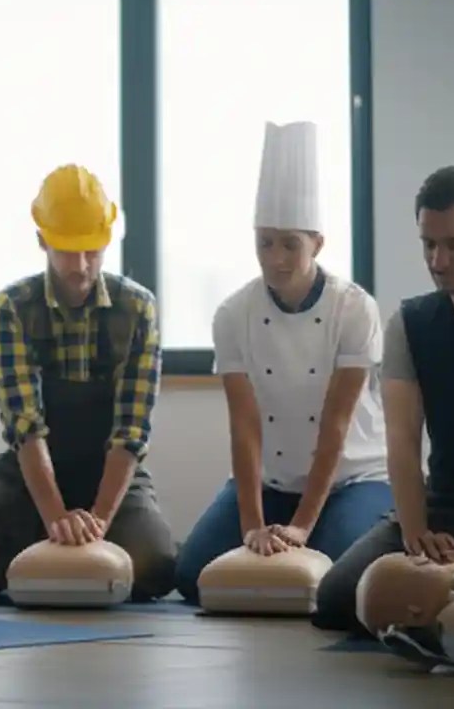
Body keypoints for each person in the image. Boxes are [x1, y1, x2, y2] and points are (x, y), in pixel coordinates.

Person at [309, 166, 454, 631]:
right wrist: (417, 537)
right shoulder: (410, 323)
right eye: (428, 244)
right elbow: (401, 442)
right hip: (438, 508)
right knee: (338, 596)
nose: (438, 261)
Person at [173, 121, 393, 604]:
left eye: (290, 243)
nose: (276, 259)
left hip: (353, 478)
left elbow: (334, 426)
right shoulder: (234, 314)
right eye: (265, 242)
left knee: (333, 578)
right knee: (193, 575)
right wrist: (252, 525)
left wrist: (301, 526)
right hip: (272, 480)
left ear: (317, 242)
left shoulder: (354, 309)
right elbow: (245, 426)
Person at [0, 164, 178, 602]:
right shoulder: (11, 309)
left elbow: (131, 431)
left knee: (154, 568)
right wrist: (57, 519)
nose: (81, 266)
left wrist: (96, 526)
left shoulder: (137, 308)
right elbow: (25, 427)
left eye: (92, 251)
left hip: (111, 479)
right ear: (42, 241)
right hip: (27, 479)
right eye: (68, 251)